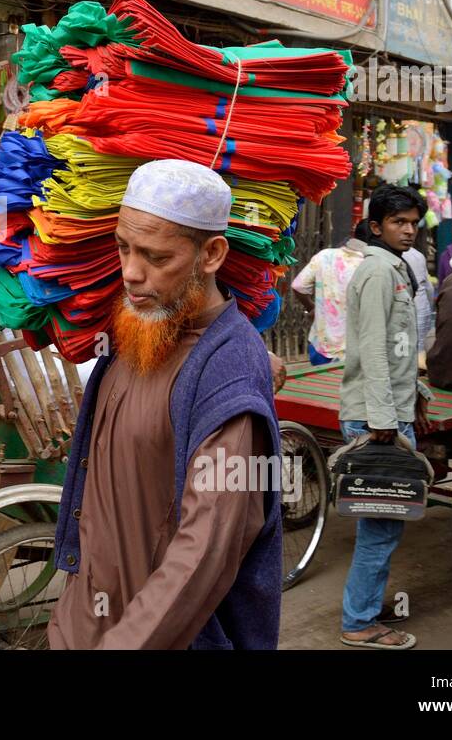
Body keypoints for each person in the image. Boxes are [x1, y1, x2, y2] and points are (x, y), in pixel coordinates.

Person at [48, 159, 282, 650]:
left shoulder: (228, 369)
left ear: (212, 253)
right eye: (123, 248)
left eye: (155, 257)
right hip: (83, 621)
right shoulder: (139, 325)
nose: (131, 273)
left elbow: (206, 552)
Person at [338, 184, 430, 649]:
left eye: (414, 222)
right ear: (376, 227)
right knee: (380, 527)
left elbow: (397, 349)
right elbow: (373, 347)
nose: (409, 230)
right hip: (377, 420)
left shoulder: (396, 268)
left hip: (390, 410)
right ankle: (359, 622)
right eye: (399, 222)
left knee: (383, 525)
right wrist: (383, 419)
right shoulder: (378, 271)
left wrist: (417, 392)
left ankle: (363, 609)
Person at [290, 227, 368, 364]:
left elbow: (298, 286)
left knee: (319, 385)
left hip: (320, 346)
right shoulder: (371, 265)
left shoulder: (325, 255)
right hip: (353, 353)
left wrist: (311, 308)